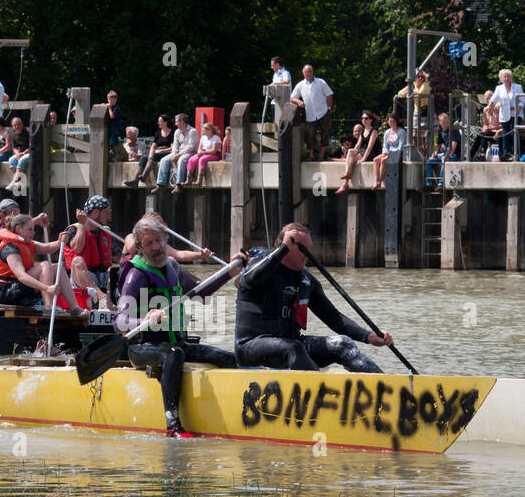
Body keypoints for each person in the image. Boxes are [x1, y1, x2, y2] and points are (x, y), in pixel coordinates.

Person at [117, 215, 248, 438]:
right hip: (142, 348)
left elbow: (202, 291)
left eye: (159, 240)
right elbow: (119, 322)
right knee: (173, 354)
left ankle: (239, 411)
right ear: (139, 247)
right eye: (149, 243)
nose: (157, 247)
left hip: (175, 343)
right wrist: (145, 320)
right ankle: (173, 424)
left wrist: (230, 272)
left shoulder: (173, 267)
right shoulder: (136, 275)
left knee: (227, 357)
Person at [234, 223, 391, 372]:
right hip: (251, 347)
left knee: (342, 344)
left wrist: (368, 336)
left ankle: (388, 388)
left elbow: (333, 317)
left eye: (309, 249)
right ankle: (320, 392)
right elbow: (250, 279)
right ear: (287, 245)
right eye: (303, 249)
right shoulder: (258, 263)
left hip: (292, 345)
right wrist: (283, 248)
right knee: (292, 347)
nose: (308, 255)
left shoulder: (306, 280)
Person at [0, 212, 84, 314]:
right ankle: (49, 307)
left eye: (33, 229)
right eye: (30, 230)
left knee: (57, 267)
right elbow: (21, 276)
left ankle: (75, 308)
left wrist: (59, 242)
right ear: (18, 229)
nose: (33, 233)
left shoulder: (28, 243)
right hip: (8, 292)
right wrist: (47, 288)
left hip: (22, 288)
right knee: (45, 265)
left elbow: (48, 248)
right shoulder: (9, 248)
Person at [0, 198, 49, 280]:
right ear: (2, 215)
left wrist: (36, 221)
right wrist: (33, 222)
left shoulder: (15, 229)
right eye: (14, 215)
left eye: (18, 216)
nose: (17, 219)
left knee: (48, 268)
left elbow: (16, 229)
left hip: (15, 271)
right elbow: (3, 233)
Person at [63, 195, 117, 309]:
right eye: (107, 213)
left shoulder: (105, 232)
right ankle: (102, 298)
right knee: (77, 261)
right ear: (96, 212)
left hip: (103, 278)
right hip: (82, 280)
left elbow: (119, 256)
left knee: (125, 265)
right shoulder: (73, 230)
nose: (109, 216)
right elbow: (77, 248)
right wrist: (82, 225)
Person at [119, 210, 215, 266]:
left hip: (148, 278)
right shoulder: (130, 237)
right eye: (156, 225)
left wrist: (200, 255)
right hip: (127, 277)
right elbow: (132, 249)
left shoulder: (157, 244)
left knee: (171, 261)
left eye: (161, 225)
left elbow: (179, 254)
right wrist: (141, 232)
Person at [289, 64, 334, 160]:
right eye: (306, 72)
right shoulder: (300, 85)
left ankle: (322, 155)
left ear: (313, 72)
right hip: (311, 114)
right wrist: (298, 101)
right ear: (303, 73)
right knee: (310, 135)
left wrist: (329, 108)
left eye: (310, 71)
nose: (308, 73)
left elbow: (329, 94)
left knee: (325, 134)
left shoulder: (321, 82)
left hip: (323, 112)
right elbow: (292, 97)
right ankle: (311, 155)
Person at [336, 112, 379, 193]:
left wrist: (363, 159)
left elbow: (370, 147)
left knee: (351, 160)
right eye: (362, 118)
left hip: (371, 153)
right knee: (351, 152)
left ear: (371, 120)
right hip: (362, 151)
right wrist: (351, 153)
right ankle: (346, 177)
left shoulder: (374, 131)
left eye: (366, 118)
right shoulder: (363, 130)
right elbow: (358, 145)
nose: (363, 120)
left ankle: (345, 184)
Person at [127, 114, 173, 187]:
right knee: (144, 158)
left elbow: (172, 148)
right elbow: (153, 146)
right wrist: (150, 154)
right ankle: (135, 180)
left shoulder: (172, 133)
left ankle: (144, 176)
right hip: (157, 152)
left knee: (155, 155)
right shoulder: (158, 133)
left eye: (160, 121)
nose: (158, 123)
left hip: (166, 152)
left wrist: (161, 151)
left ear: (165, 123)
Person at [490, 68, 525, 160]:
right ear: (501, 78)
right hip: (504, 114)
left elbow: (522, 101)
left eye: (508, 76)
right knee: (505, 134)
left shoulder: (518, 87)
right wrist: (490, 104)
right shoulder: (499, 88)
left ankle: (517, 152)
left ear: (511, 77)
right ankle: (507, 154)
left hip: (516, 113)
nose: (506, 78)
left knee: (514, 132)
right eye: (504, 77)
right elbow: (493, 98)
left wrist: (518, 109)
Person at [159, 113, 198, 189]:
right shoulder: (177, 132)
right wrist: (174, 154)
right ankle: (160, 184)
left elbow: (191, 147)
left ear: (182, 122)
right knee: (164, 160)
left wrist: (178, 155)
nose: (175, 124)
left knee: (181, 160)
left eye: (177, 122)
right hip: (180, 152)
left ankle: (179, 184)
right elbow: (175, 145)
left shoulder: (193, 131)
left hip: (191, 152)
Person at [178, 122, 221, 190]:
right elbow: (200, 147)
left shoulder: (216, 138)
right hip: (204, 152)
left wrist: (203, 153)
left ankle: (199, 181)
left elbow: (214, 150)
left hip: (214, 154)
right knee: (191, 160)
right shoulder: (203, 137)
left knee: (202, 160)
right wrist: (199, 152)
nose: (203, 131)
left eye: (205, 130)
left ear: (210, 130)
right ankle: (188, 180)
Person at [369, 113, 405, 190]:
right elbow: (385, 145)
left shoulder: (401, 132)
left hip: (397, 153)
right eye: (390, 121)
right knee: (375, 159)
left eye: (393, 121)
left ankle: (379, 181)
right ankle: (376, 180)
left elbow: (401, 146)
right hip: (388, 152)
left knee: (383, 160)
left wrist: (391, 154)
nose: (391, 123)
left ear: (396, 122)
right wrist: (385, 152)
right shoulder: (387, 132)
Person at [425, 113, 462, 187]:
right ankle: (428, 184)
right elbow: (438, 144)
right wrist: (435, 152)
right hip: (445, 153)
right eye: (444, 122)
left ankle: (441, 184)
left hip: (454, 154)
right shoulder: (440, 130)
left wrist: (447, 156)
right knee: (429, 161)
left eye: (447, 122)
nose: (446, 124)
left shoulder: (454, 130)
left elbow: (454, 145)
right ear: (439, 122)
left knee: (444, 161)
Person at [5, 115, 32, 193]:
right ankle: (18, 181)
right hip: (19, 153)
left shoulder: (28, 133)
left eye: (18, 124)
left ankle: (15, 180)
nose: (17, 126)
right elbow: (14, 148)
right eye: (14, 125)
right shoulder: (13, 135)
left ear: (22, 124)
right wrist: (17, 154)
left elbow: (31, 147)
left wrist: (23, 153)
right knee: (11, 159)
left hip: (28, 153)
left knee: (22, 160)